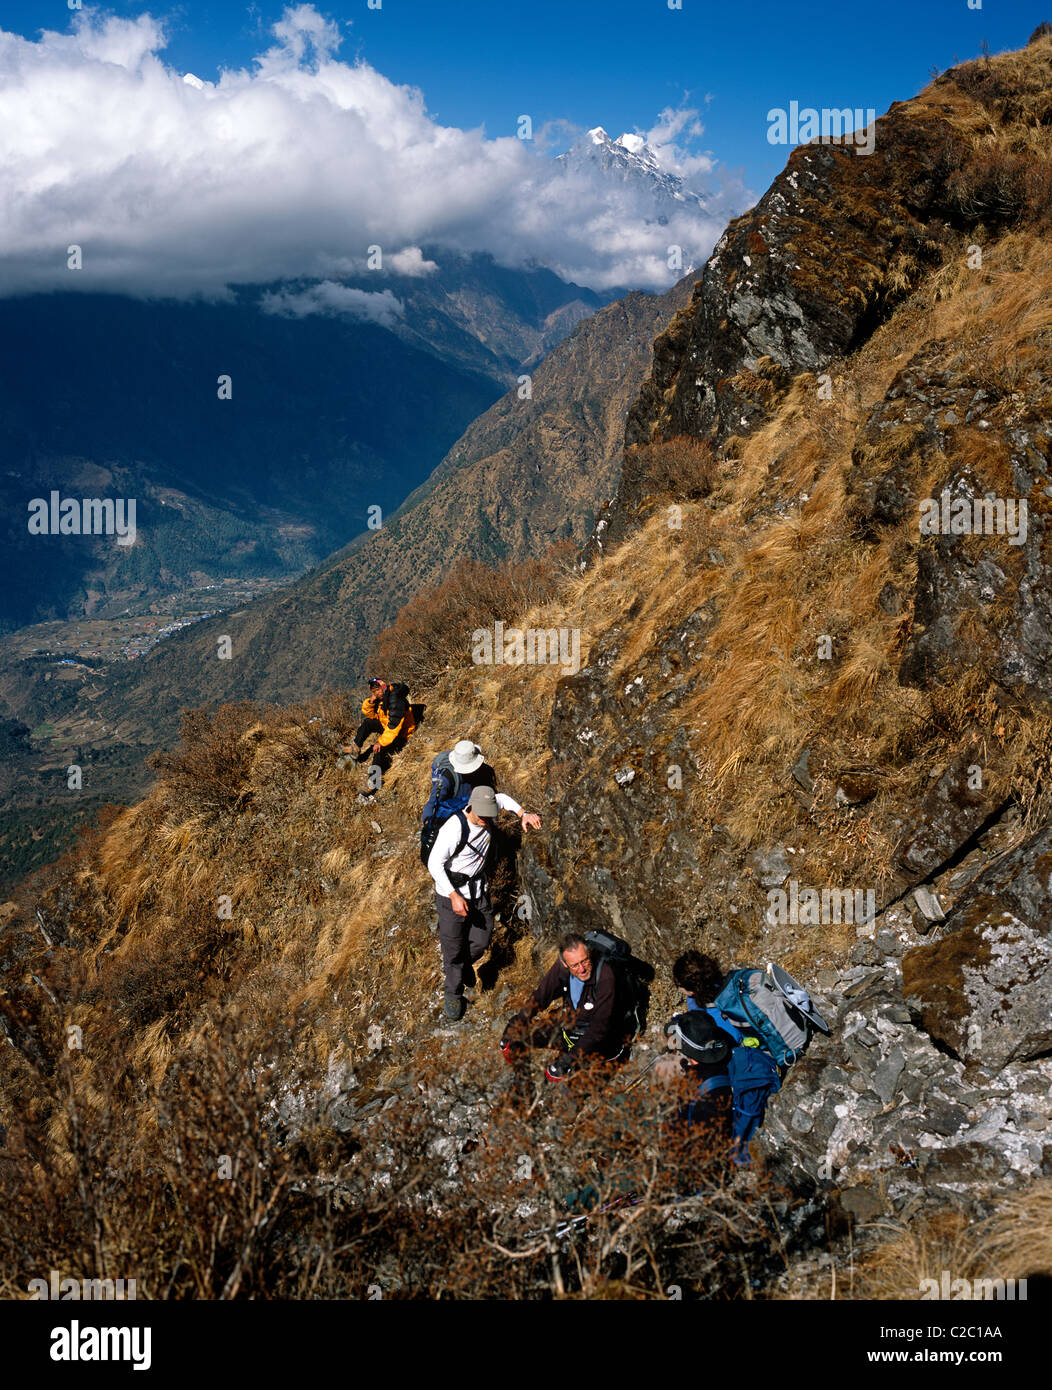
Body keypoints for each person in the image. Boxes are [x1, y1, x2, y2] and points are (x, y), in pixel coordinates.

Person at [427, 784, 540, 1021]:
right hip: (452, 896)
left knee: (483, 937)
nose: (486, 821)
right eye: (482, 818)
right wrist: (453, 895)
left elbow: (504, 799)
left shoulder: (488, 806)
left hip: (478, 892)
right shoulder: (454, 829)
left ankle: (461, 967)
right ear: (472, 809)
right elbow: (434, 863)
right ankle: (453, 993)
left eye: (490, 816)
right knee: (454, 948)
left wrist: (523, 813)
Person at [501, 933, 628, 1083]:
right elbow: (541, 996)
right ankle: (524, 1086)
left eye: (585, 961)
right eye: (575, 965)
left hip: (598, 1043)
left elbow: (599, 1028)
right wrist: (519, 1021)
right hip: (569, 1030)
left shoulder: (606, 976)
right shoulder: (561, 968)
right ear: (564, 963)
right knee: (517, 1040)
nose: (581, 969)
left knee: (570, 1090)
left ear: (590, 954)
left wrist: (567, 1061)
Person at [420, 738, 541, 864]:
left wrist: (522, 814)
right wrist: (431, 826)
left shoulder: (486, 771)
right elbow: (434, 802)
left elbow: (496, 798)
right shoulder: (447, 778)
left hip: (478, 816)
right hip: (458, 817)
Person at [339, 678, 416, 791]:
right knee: (368, 723)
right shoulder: (383, 698)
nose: (375, 693)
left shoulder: (395, 699)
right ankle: (355, 748)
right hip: (389, 728)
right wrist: (371, 702)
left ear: (383, 687)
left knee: (378, 749)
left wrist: (380, 742)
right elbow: (373, 716)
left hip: (401, 734)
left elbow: (394, 726)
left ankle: (374, 781)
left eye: (376, 690)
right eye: (373, 691)